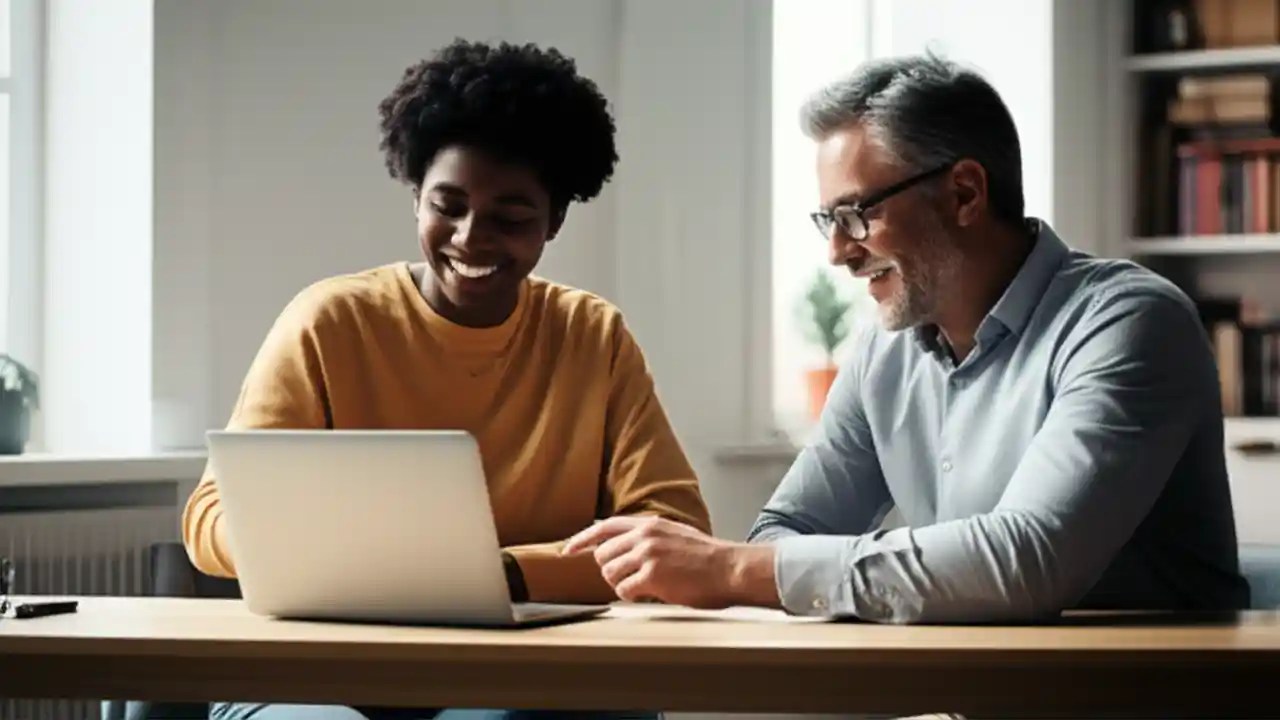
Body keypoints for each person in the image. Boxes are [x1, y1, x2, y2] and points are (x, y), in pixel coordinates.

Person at [564, 53, 1250, 624]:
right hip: (956, 692)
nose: (837, 252)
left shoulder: (1128, 323)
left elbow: (1030, 561)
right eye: (826, 220)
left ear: (964, 193)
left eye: (858, 215)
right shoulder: (882, 352)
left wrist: (731, 569)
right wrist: (925, 569)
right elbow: (787, 534)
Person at [183, 38, 709, 719]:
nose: (470, 236)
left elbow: (673, 529)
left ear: (554, 220)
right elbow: (207, 520)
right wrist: (339, 563)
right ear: (415, 197)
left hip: (522, 680)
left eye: (510, 217)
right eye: (447, 205)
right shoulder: (329, 322)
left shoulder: (592, 336)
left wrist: (505, 575)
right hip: (321, 672)